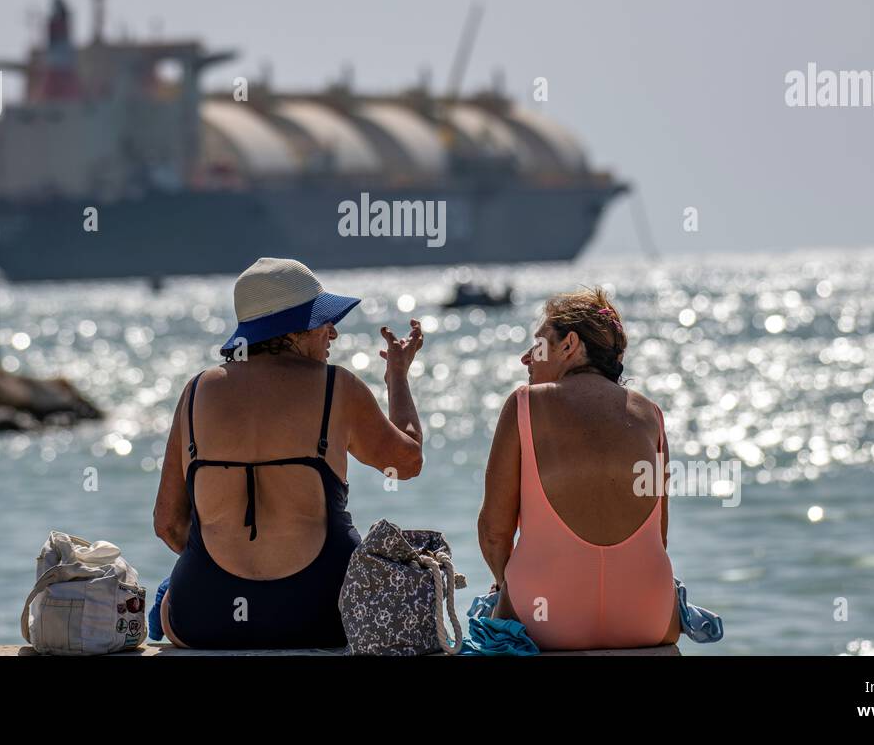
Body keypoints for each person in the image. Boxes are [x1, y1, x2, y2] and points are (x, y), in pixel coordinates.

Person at [152, 257, 424, 649]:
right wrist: (397, 376)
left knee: (166, 593)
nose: (333, 334)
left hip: (206, 613)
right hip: (324, 612)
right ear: (293, 330)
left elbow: (167, 523)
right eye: (323, 322)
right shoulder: (336, 387)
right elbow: (408, 461)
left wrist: (216, 564)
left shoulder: (197, 391)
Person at [477, 286, 681, 650]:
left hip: (547, 619)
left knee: (488, 617)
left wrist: (507, 585)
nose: (527, 358)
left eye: (538, 345)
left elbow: (494, 533)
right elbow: (659, 537)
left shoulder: (524, 405)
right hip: (648, 617)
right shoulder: (651, 415)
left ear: (569, 344)